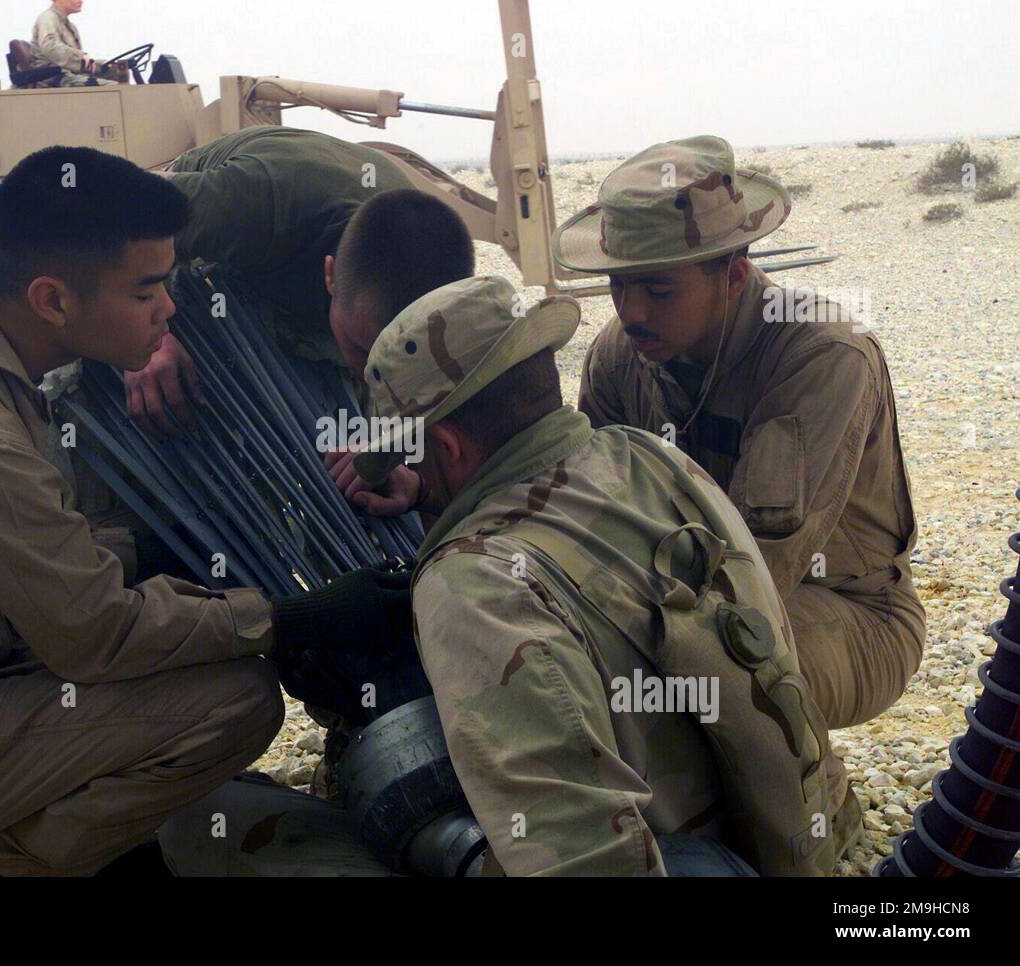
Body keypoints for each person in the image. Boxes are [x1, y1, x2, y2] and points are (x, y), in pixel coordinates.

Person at [0, 146, 410, 876]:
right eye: (146, 293)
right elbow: (96, 636)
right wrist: (290, 617)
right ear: (53, 300)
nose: (170, 311)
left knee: (151, 562)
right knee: (233, 702)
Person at [159, 276, 843, 876]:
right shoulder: (650, 460)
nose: (411, 476)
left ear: (449, 446)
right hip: (775, 839)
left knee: (212, 822)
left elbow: (580, 860)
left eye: (413, 457)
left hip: (664, 860)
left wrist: (437, 840)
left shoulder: (474, 583)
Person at [554, 135, 923, 734]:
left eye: (659, 289)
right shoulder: (619, 355)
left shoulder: (819, 354)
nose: (631, 311)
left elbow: (754, 572)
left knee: (704, 666)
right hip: (684, 597)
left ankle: (803, 822)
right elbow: (582, 508)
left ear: (733, 276)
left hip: (850, 611)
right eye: (618, 285)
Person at [124, 125, 475, 440]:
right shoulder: (250, 206)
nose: (369, 372)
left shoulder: (434, 271)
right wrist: (150, 335)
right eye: (359, 350)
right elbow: (124, 206)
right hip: (197, 254)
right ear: (330, 276)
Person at [30, 0, 120, 87]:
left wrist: (107, 65)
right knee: (113, 86)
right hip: (52, 78)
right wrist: (80, 57)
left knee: (116, 71)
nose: (81, 1)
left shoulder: (69, 26)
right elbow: (50, 46)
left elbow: (78, 63)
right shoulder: (48, 18)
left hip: (67, 75)